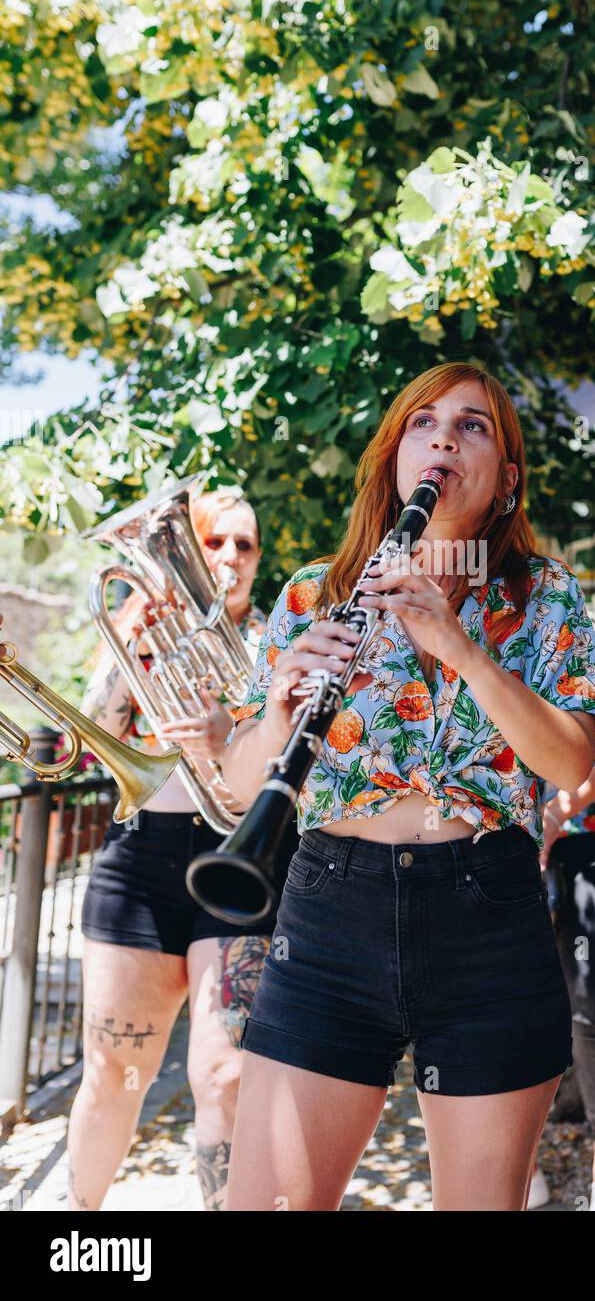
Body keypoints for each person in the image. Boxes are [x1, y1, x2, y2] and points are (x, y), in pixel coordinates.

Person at [221, 361, 595, 1211]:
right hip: (330, 912)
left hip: (487, 913)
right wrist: (276, 708)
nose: (444, 437)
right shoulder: (312, 592)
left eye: (473, 425)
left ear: (505, 479)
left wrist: (466, 652)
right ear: (396, 457)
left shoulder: (542, 596)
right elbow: (237, 787)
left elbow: (571, 762)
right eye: (423, 422)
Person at [68, 487, 272, 1211]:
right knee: (116, 1069)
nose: (228, 559)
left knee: (227, 1075)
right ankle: (80, 1225)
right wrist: (126, 640)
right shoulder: (142, 631)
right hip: (141, 859)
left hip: (236, 858)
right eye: (215, 541)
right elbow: (86, 740)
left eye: (244, 546)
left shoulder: (275, 641)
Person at [529, 707, 595, 1212]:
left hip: (589, 839)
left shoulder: (567, 627)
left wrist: (553, 817)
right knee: (498, 1005)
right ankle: (520, 1165)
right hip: (488, 842)